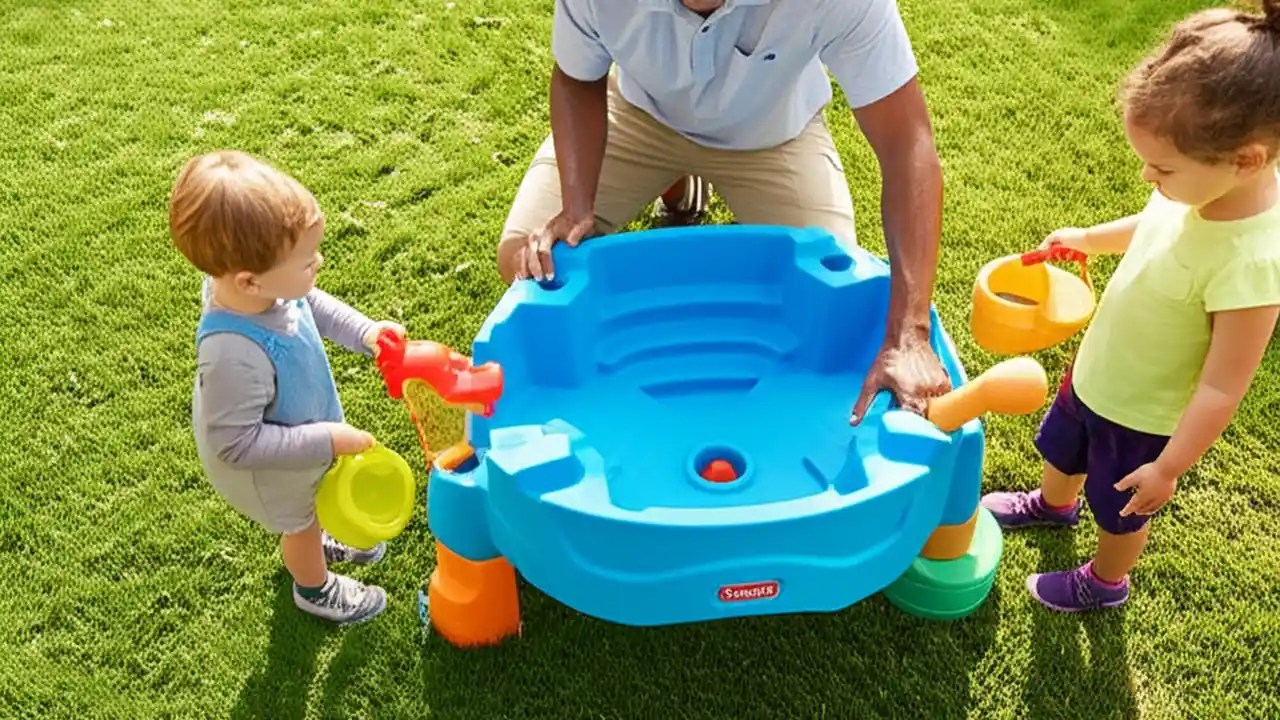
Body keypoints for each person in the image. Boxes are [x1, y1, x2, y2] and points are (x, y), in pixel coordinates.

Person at [498, 0, 951, 421]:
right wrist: (577, 205)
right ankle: (678, 181)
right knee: (528, 257)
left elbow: (906, 143)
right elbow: (577, 76)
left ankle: (684, 180)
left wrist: (909, 336)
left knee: (828, 303)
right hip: (640, 117)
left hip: (771, 137)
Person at [981, 1, 1280, 612]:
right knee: (1064, 447)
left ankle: (1106, 581)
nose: (1147, 176)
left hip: (1142, 418)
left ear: (1247, 159)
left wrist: (1167, 468)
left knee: (1120, 509)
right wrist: (1090, 239)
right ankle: (1055, 506)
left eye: (1161, 167)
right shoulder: (1194, 189)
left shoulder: (1252, 263)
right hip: (1098, 370)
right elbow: (1152, 224)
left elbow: (1222, 387)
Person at [170, 150, 402, 625]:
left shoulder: (263, 292)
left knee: (312, 504)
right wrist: (327, 439)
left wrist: (365, 332)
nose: (319, 263)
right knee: (301, 523)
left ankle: (318, 541)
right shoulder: (232, 354)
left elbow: (310, 303)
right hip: (268, 470)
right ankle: (314, 588)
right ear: (250, 282)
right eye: (306, 261)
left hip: (294, 436)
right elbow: (235, 444)